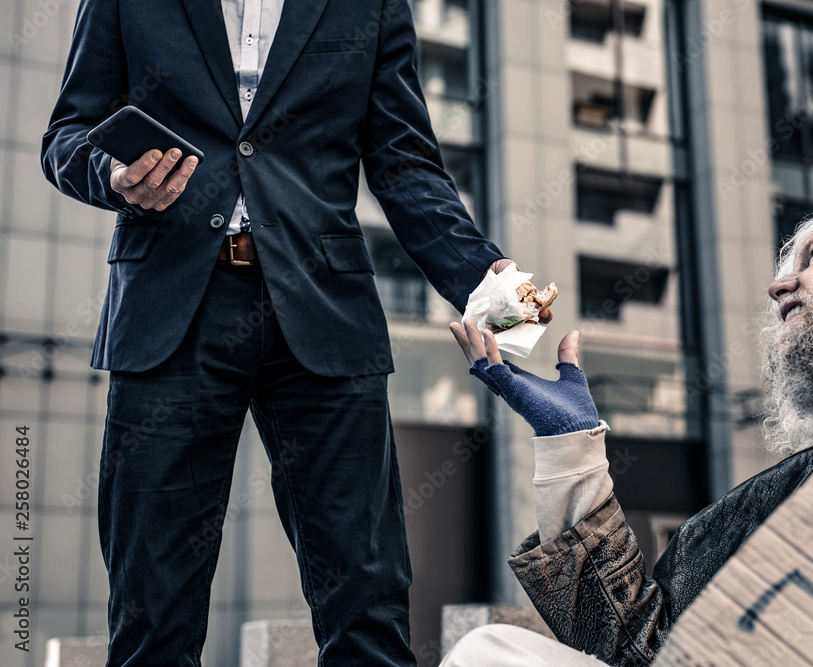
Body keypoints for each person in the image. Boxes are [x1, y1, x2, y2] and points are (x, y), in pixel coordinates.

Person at [41, 2, 549, 665]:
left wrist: (490, 282)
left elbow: (405, 164)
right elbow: (67, 135)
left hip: (324, 307)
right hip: (170, 314)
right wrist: (112, 177)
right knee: (150, 615)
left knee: (367, 604)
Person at [445, 143, 813, 667]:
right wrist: (572, 450)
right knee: (490, 652)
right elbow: (641, 644)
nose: (779, 286)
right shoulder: (794, 486)